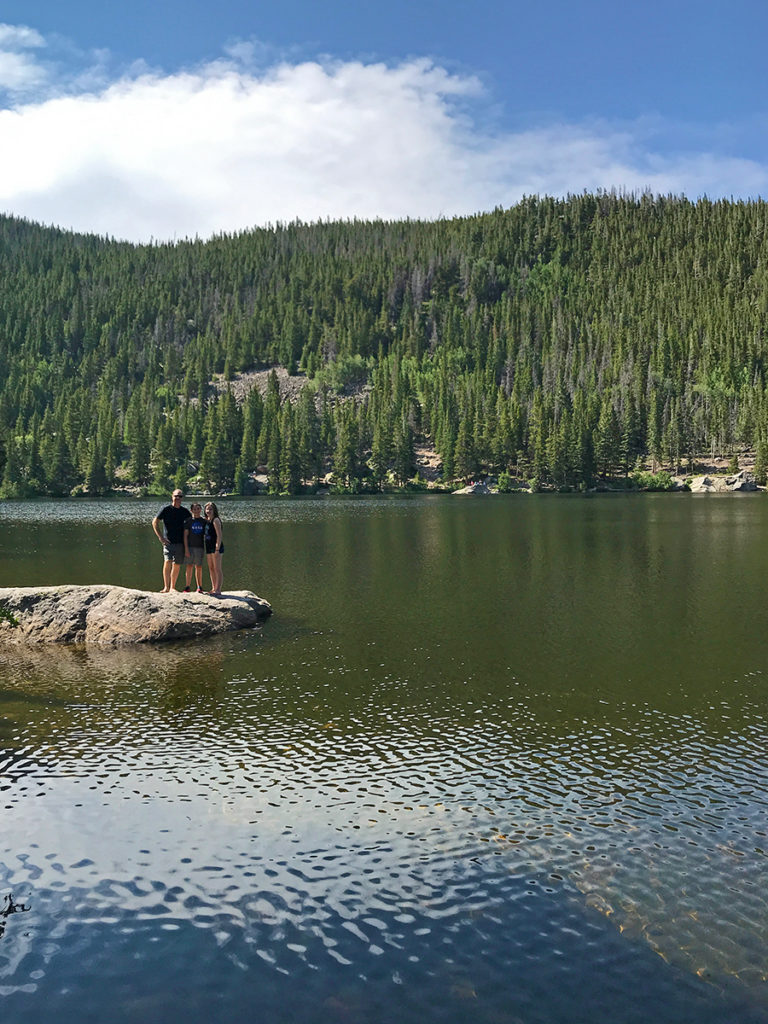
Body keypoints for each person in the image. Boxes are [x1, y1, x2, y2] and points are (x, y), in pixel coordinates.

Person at [152, 489, 190, 593]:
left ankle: (172, 587)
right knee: (167, 561)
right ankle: (166, 587)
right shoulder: (165, 509)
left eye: (180, 496)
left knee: (176, 564)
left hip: (180, 542)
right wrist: (161, 537)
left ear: (182, 498)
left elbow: (191, 525)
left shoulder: (185, 512)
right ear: (172, 496)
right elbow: (155, 522)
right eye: (176, 496)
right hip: (168, 542)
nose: (178, 498)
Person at [183, 503, 206, 593]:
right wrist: (186, 549)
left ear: (200, 510)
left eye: (198, 509)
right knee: (189, 566)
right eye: (194, 509)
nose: (196, 511)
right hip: (190, 547)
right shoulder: (188, 521)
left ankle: (199, 586)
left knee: (199, 567)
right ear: (191, 510)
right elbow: (185, 536)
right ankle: (187, 586)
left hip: (200, 547)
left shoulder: (204, 521)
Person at [203, 501, 224, 595]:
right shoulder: (207, 520)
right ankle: (213, 587)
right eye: (207, 509)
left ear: (214, 510)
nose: (208, 511)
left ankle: (218, 589)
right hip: (208, 546)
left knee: (217, 568)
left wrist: (217, 548)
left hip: (216, 547)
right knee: (211, 568)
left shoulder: (216, 520)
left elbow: (219, 535)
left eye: (210, 509)